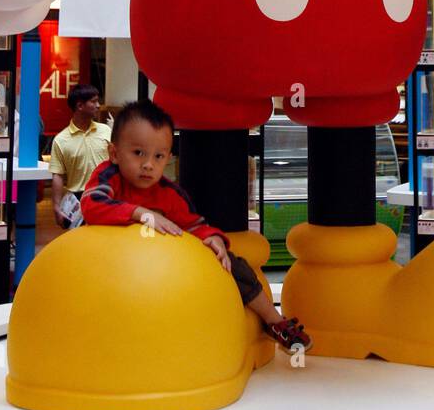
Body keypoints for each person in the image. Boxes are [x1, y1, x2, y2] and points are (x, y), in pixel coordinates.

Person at [80, 100, 312, 353]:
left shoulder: (170, 194)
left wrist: (213, 239)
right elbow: (91, 203)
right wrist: (141, 214)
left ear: (168, 157)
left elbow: (194, 225)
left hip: (157, 271)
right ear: (114, 153)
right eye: (138, 153)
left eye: (158, 156)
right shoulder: (108, 176)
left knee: (233, 264)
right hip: (107, 265)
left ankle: (274, 321)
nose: (148, 164)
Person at [49, 84, 112, 228]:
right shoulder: (61, 140)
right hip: (78, 201)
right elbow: (58, 175)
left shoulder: (106, 131)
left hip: (107, 194)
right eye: (94, 101)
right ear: (80, 106)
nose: (98, 105)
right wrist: (57, 207)